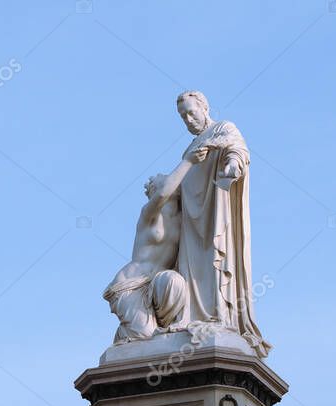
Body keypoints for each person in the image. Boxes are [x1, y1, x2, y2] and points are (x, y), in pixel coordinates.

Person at [174, 91, 269, 357]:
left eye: (191, 112)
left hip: (216, 213)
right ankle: (189, 314)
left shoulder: (223, 128)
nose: (188, 119)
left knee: (217, 262)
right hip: (191, 221)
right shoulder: (189, 149)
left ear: (204, 108)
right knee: (190, 268)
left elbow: (238, 149)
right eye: (183, 116)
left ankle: (219, 316)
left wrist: (232, 166)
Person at [102, 146, 204, 344]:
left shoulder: (184, 219)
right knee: (145, 340)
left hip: (159, 286)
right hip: (131, 285)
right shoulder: (149, 214)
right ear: (154, 191)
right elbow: (164, 194)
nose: (169, 179)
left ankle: (155, 324)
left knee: (175, 282)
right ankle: (127, 332)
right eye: (163, 179)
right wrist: (189, 161)